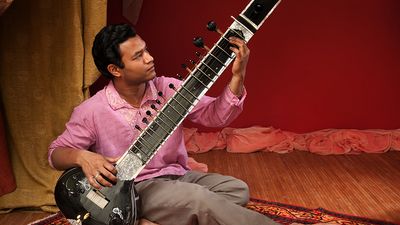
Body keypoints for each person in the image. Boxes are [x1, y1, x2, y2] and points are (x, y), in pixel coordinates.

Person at [48, 23, 277, 225]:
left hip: (177, 175)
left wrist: (238, 76)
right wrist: (82, 157)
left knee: (236, 190)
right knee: (198, 200)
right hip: (135, 188)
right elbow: (55, 154)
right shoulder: (93, 110)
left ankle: (144, 221)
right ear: (115, 69)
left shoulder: (167, 89)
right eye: (138, 56)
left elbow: (214, 117)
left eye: (145, 49)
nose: (149, 58)